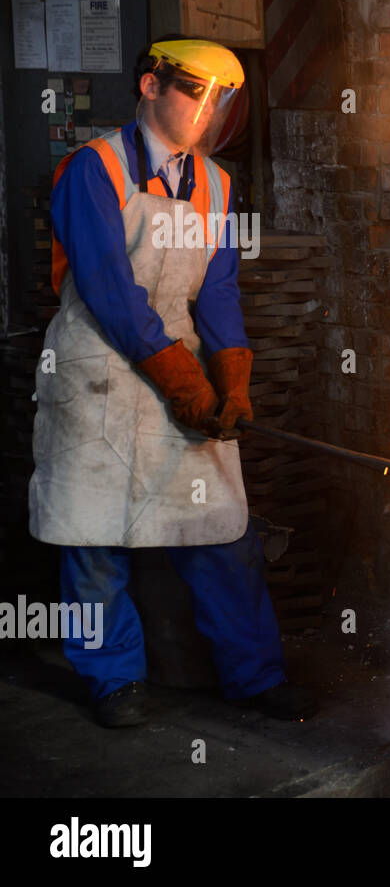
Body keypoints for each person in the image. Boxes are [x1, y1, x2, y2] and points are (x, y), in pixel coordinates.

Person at [32, 37, 317, 727]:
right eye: (195, 91)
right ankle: (112, 680)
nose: (207, 111)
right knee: (92, 534)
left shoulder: (215, 184)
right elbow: (109, 291)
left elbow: (218, 292)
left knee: (221, 526)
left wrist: (233, 377)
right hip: (98, 370)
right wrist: (182, 380)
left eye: (220, 98)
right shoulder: (92, 168)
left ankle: (253, 675)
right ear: (150, 85)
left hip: (177, 365)